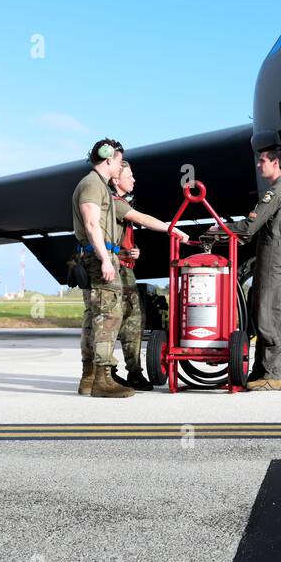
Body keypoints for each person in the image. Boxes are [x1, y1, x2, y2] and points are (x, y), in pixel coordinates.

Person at [74, 140, 186, 398]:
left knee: (98, 317)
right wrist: (104, 258)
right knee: (107, 317)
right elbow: (91, 225)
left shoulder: (97, 186)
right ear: (108, 159)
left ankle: (91, 377)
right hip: (99, 258)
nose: (127, 173)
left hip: (105, 256)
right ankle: (102, 379)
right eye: (120, 161)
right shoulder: (92, 184)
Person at [99, 159, 187, 391]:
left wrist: (131, 251)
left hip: (126, 268)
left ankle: (134, 372)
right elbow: (142, 219)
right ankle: (107, 373)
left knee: (133, 322)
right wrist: (172, 229)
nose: (134, 180)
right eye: (129, 176)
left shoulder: (122, 202)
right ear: (116, 180)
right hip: (112, 270)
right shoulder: (113, 201)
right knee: (110, 321)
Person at [227, 145, 281, 390]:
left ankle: (271, 374)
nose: (259, 165)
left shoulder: (278, 192)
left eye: (262, 161)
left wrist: (220, 230)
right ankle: (262, 372)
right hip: (270, 260)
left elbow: (249, 227)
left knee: (268, 315)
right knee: (263, 313)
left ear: (275, 163)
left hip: (272, 261)